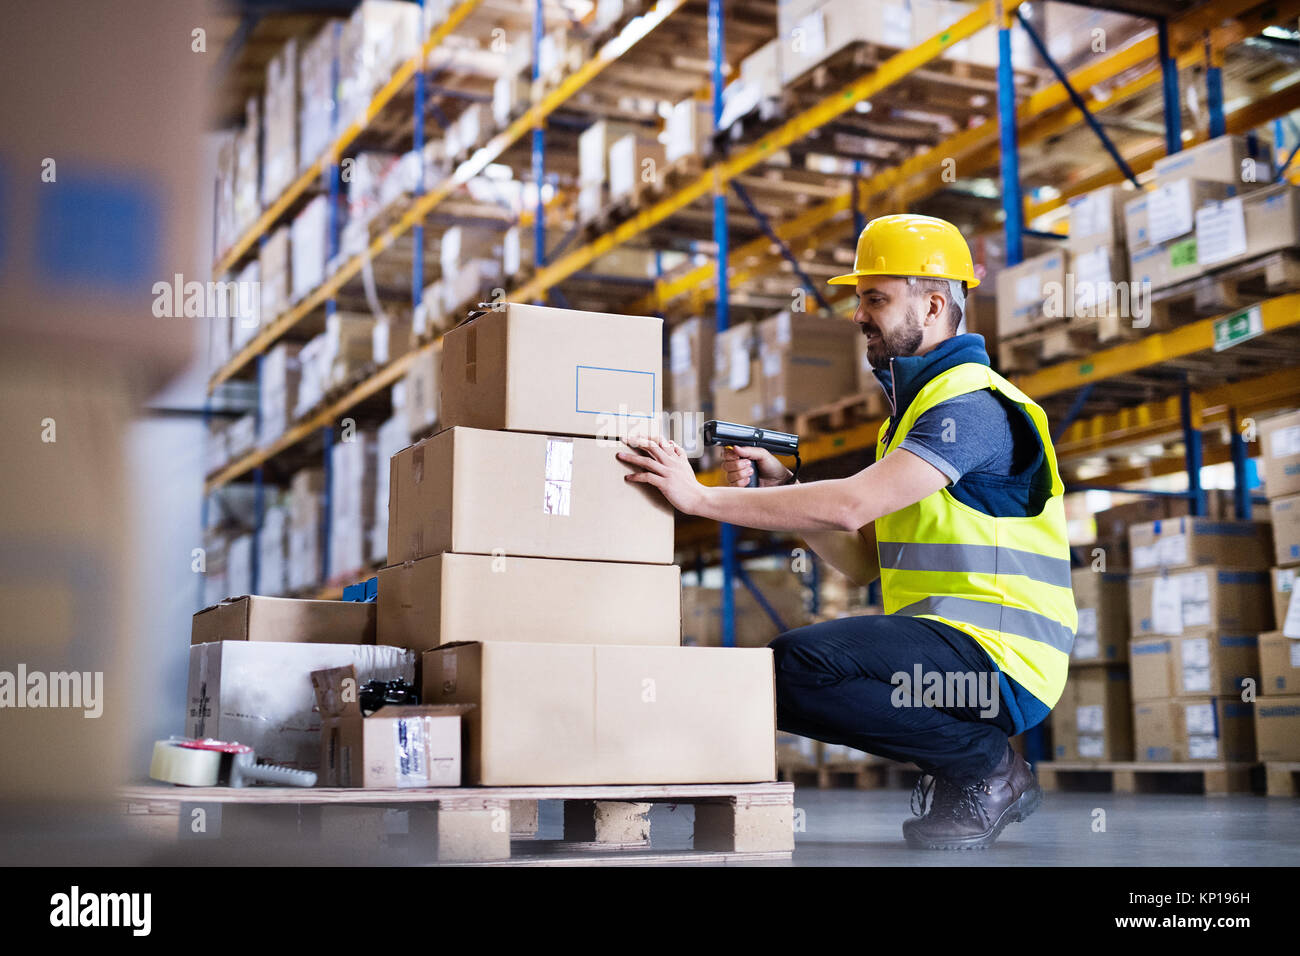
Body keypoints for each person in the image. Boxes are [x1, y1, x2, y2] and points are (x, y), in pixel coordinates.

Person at [616, 214, 1077, 850]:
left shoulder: (972, 408)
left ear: (935, 303)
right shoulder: (910, 420)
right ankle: (975, 764)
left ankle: (985, 767)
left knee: (798, 666)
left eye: (876, 299)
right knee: (789, 674)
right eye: (860, 300)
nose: (859, 315)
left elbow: (849, 505)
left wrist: (699, 498)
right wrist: (778, 490)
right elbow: (862, 562)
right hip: (954, 651)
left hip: (1001, 659)